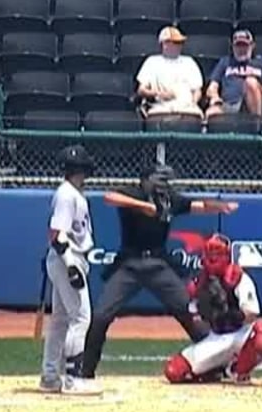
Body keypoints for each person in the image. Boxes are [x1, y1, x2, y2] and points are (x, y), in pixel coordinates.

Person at [77, 164, 238, 389]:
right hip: (130, 264)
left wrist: (222, 206)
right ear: (145, 180)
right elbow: (110, 198)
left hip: (158, 264)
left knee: (190, 314)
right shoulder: (134, 193)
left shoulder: (169, 199)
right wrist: (144, 206)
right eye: (158, 180)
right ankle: (86, 372)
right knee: (102, 315)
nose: (162, 185)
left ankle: (215, 366)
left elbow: (197, 205)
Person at [163, 234, 262, 385]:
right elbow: (194, 317)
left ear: (227, 255)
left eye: (217, 254)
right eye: (210, 254)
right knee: (174, 372)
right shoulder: (198, 284)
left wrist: (229, 316)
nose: (213, 258)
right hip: (217, 337)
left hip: (240, 333)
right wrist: (206, 315)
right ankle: (216, 370)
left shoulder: (239, 277)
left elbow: (252, 313)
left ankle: (238, 371)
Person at [42, 145, 97, 395]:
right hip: (67, 259)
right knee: (81, 318)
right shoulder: (67, 195)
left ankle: (50, 376)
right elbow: (56, 233)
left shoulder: (72, 193)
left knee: (61, 320)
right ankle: (73, 379)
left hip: (65, 259)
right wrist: (71, 264)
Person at [205, 29, 262, 119]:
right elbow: (212, 87)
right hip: (229, 105)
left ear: (252, 46)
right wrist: (215, 97)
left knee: (250, 82)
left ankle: (256, 124)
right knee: (211, 113)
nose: (241, 49)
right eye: (238, 46)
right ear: (232, 47)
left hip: (255, 104)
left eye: (245, 45)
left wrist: (257, 89)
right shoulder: (225, 62)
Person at [136, 26, 204, 118]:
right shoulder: (151, 62)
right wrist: (157, 94)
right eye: (176, 42)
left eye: (181, 42)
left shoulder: (189, 62)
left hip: (186, 107)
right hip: (160, 106)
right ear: (164, 44)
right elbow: (141, 90)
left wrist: (193, 103)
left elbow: (197, 90)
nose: (180, 45)